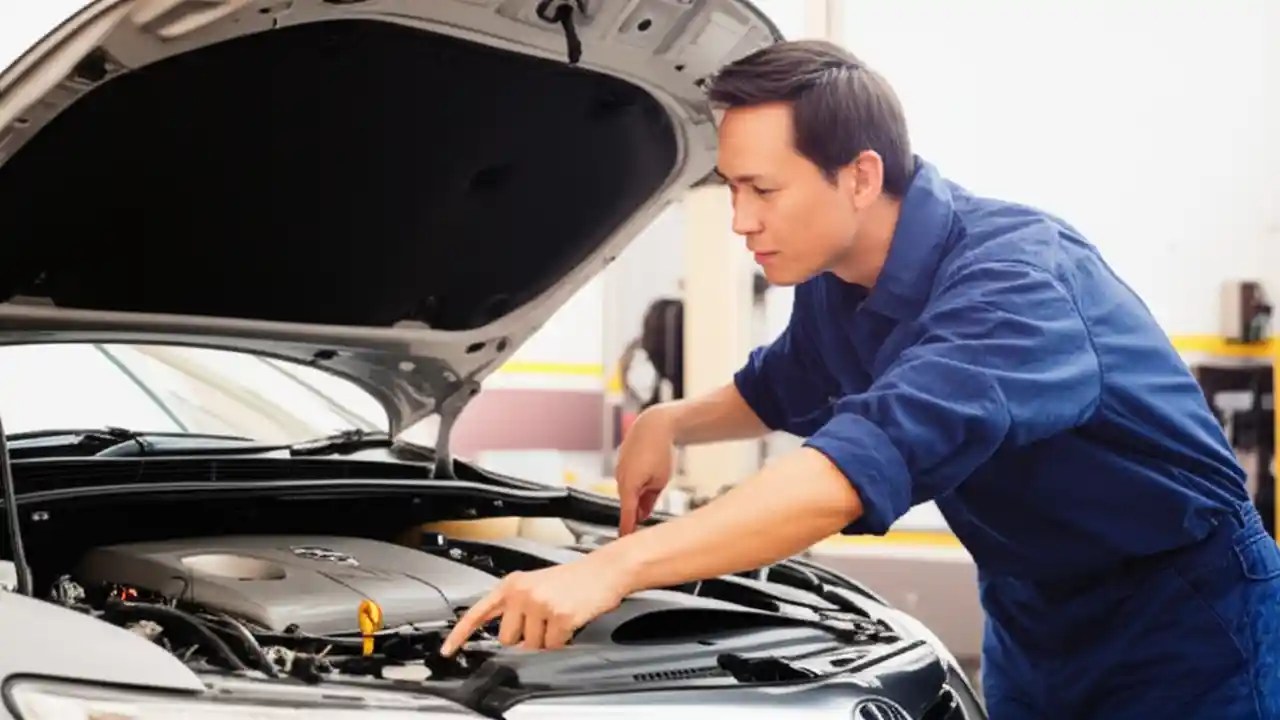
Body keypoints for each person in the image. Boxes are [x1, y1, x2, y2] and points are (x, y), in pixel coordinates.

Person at [441, 40, 1280, 718]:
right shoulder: (836, 281)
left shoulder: (1015, 284)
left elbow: (852, 469)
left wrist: (611, 569)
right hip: (1032, 612)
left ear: (862, 175)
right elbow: (783, 385)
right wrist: (671, 424)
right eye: (731, 189)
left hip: (1184, 612)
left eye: (762, 189)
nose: (741, 220)